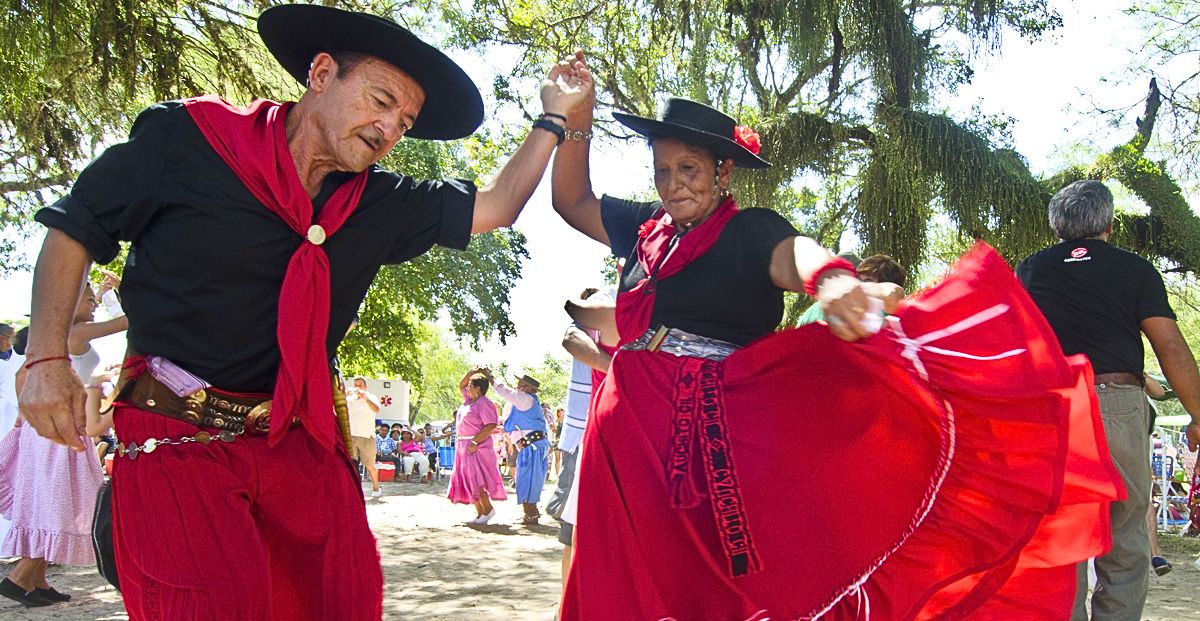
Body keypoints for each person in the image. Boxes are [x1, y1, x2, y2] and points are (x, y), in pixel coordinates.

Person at [17, 5, 590, 618]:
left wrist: (555, 116)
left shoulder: (381, 203)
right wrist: (46, 356)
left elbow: (499, 203)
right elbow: (76, 228)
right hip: (174, 437)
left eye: (405, 121)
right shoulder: (192, 139)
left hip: (297, 442)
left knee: (338, 599)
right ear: (321, 73)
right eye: (380, 99)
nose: (389, 127)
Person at [550, 59, 1121, 619]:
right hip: (622, 441)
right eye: (663, 171)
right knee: (619, 589)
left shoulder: (750, 231)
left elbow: (793, 253)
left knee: (711, 592)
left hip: (703, 452)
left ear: (725, 172)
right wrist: (578, 117)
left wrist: (831, 278)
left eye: (689, 170)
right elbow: (571, 202)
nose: (673, 186)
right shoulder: (649, 231)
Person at [1017, 179, 1200, 621]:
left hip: (1056, 408)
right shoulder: (1135, 270)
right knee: (1125, 530)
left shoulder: (1030, 271)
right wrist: (1197, 414)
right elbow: (1169, 347)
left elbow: (1016, 346)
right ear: (1110, 225)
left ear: (1057, 226)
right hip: (1118, 402)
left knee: (1063, 534)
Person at [1, 281, 126, 607]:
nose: (93, 302)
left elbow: (23, 378)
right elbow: (128, 320)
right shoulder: (73, 334)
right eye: (88, 298)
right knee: (62, 504)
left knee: (54, 502)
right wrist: (120, 294)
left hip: (52, 427)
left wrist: (98, 293)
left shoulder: (62, 335)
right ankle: (19, 577)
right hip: (58, 431)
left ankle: (36, 580)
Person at [447, 369, 507, 524]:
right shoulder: (468, 401)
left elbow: (490, 425)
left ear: (478, 389)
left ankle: (487, 509)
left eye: (471, 386)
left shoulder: (484, 403)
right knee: (466, 478)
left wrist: (474, 441)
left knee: (476, 478)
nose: (467, 388)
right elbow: (461, 384)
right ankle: (480, 512)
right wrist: (473, 371)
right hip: (462, 445)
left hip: (476, 446)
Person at [492, 372, 551, 524]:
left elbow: (504, 391)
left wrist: (490, 377)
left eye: (522, 385)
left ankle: (531, 513)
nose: (518, 387)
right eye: (519, 384)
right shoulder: (527, 402)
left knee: (527, 479)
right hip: (533, 445)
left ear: (529, 389)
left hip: (532, 447)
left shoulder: (524, 399)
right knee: (529, 479)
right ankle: (531, 512)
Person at [797, 253, 905, 326]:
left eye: (868, 282)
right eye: (857, 279)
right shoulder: (820, 308)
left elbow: (893, 293)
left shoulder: (883, 315)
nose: (857, 284)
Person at [347, 376, 384, 498]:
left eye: (360, 384)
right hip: (351, 435)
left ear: (365, 386)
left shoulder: (370, 396)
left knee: (369, 465)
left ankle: (376, 487)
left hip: (367, 436)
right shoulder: (349, 398)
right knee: (351, 465)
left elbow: (377, 409)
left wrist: (365, 397)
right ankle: (354, 490)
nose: (357, 387)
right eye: (355, 384)